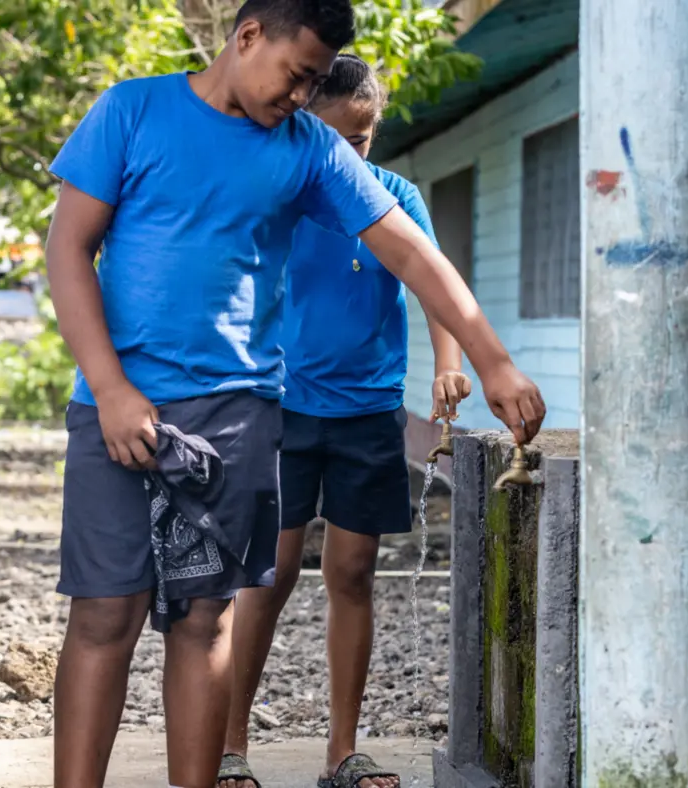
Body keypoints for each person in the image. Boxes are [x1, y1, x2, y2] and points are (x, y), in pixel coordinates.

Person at [42, 1, 546, 786]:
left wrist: (494, 361)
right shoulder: (132, 112)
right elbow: (68, 248)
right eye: (295, 76)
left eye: (314, 83)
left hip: (235, 419)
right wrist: (108, 386)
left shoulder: (308, 148)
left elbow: (412, 256)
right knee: (106, 616)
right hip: (114, 409)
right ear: (247, 37)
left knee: (204, 620)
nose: (300, 97)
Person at [220, 54, 466, 788]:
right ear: (304, 124)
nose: (355, 152)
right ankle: (231, 747)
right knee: (269, 572)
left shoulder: (394, 198)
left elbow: (432, 283)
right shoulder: (281, 198)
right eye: (342, 136)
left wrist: (448, 364)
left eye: (367, 137)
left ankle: (343, 751)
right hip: (282, 410)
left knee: (352, 573)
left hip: (367, 412)